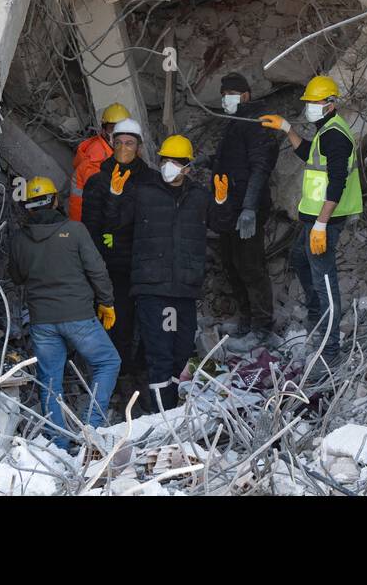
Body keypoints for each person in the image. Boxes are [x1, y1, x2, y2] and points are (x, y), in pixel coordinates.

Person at [106, 135, 229, 412]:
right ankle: (163, 416)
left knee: (181, 354)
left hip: (184, 289)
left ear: (187, 167)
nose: (168, 166)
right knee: (160, 355)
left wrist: (221, 202)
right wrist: (115, 196)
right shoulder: (143, 192)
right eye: (165, 160)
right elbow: (114, 224)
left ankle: (175, 411)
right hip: (153, 288)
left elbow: (222, 226)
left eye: (175, 161)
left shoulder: (199, 197)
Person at [259, 75, 363, 382]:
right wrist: (287, 129)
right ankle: (319, 320)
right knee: (301, 259)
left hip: (324, 222)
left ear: (330, 105)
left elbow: (338, 183)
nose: (310, 108)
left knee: (325, 281)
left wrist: (321, 223)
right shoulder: (324, 132)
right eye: (308, 103)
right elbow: (308, 155)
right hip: (313, 219)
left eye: (314, 103)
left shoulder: (336, 136)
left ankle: (331, 351)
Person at [9, 176, 120, 450]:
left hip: (42, 321)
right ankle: (91, 428)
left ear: (28, 208)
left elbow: (17, 276)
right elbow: (97, 270)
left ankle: (57, 443)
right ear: (55, 200)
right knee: (108, 362)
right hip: (78, 317)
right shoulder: (75, 230)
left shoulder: (19, 239)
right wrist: (107, 302)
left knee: (49, 380)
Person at [210, 72, 279, 339]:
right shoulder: (236, 122)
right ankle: (247, 320)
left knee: (250, 267)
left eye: (231, 94)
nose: (226, 99)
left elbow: (260, 167)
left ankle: (262, 327)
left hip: (247, 211)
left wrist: (249, 208)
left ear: (246, 95)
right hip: (229, 209)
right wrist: (208, 161)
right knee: (231, 264)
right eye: (224, 95)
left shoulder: (256, 123)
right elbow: (232, 158)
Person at [81, 118, 149, 380]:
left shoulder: (150, 180)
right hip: (112, 268)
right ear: (111, 144)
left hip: (145, 266)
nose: (124, 148)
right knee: (116, 324)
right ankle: (117, 375)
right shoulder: (98, 182)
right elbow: (91, 229)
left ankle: (138, 374)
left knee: (143, 324)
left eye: (130, 143)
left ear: (139, 147)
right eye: (119, 142)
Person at [69, 103, 131, 222]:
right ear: (103, 130)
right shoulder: (95, 158)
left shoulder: (119, 152)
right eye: (113, 128)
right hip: (88, 225)